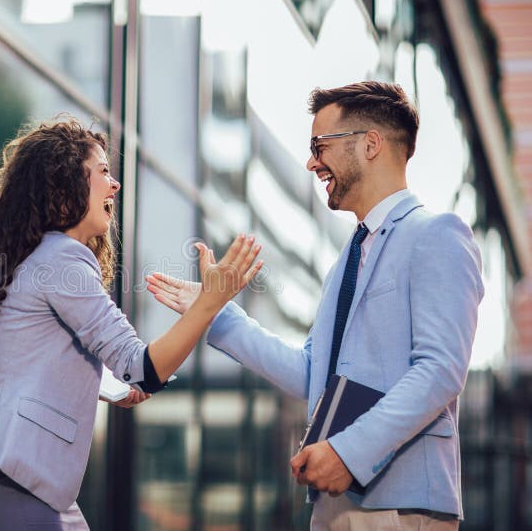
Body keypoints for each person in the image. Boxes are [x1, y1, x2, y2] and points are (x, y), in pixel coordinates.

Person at [146, 81, 484, 530]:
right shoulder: (348, 257)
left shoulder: (438, 235)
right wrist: (214, 311)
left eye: (319, 145)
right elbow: (313, 376)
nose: (311, 161)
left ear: (370, 144)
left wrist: (349, 452)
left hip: (399, 505)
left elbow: (441, 369)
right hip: (335, 502)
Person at [0, 118, 263, 530]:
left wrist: (113, 385)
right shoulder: (63, 258)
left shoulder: (39, 258)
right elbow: (142, 367)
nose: (115, 185)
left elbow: (34, 354)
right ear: (64, 187)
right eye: (103, 171)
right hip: (20, 487)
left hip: (18, 488)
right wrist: (210, 302)